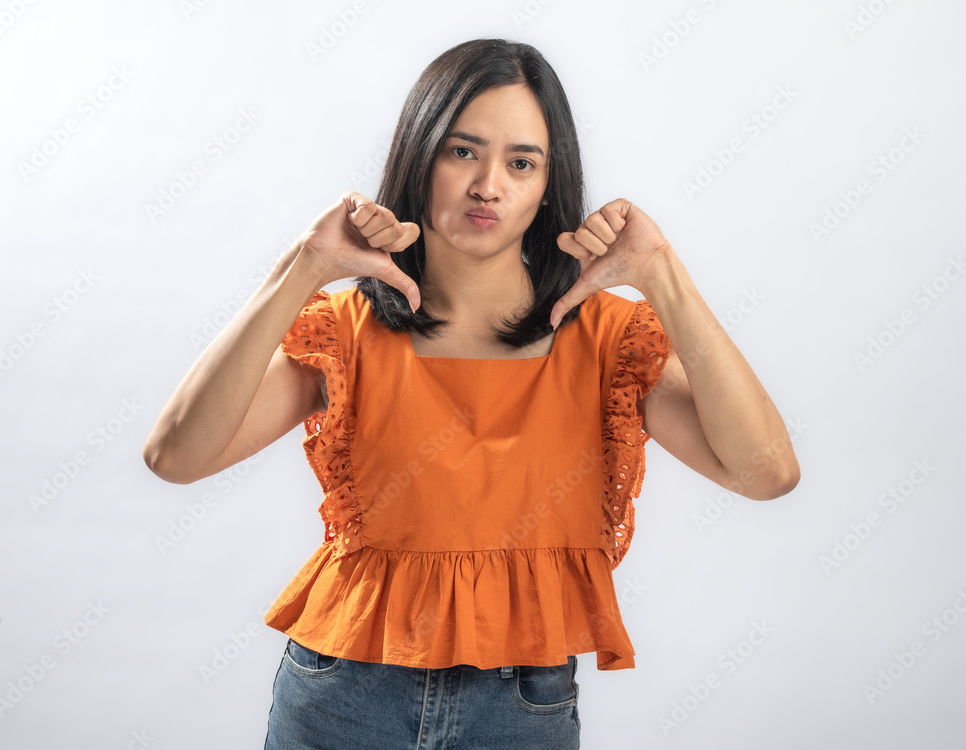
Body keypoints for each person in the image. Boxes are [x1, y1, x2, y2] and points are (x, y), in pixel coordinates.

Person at [143, 38, 800, 750]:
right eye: (463, 151)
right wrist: (303, 267)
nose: (489, 185)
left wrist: (662, 274)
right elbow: (175, 456)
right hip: (342, 695)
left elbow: (766, 473)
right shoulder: (346, 331)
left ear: (548, 185)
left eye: (521, 163)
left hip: (519, 710)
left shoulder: (610, 342)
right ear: (419, 158)